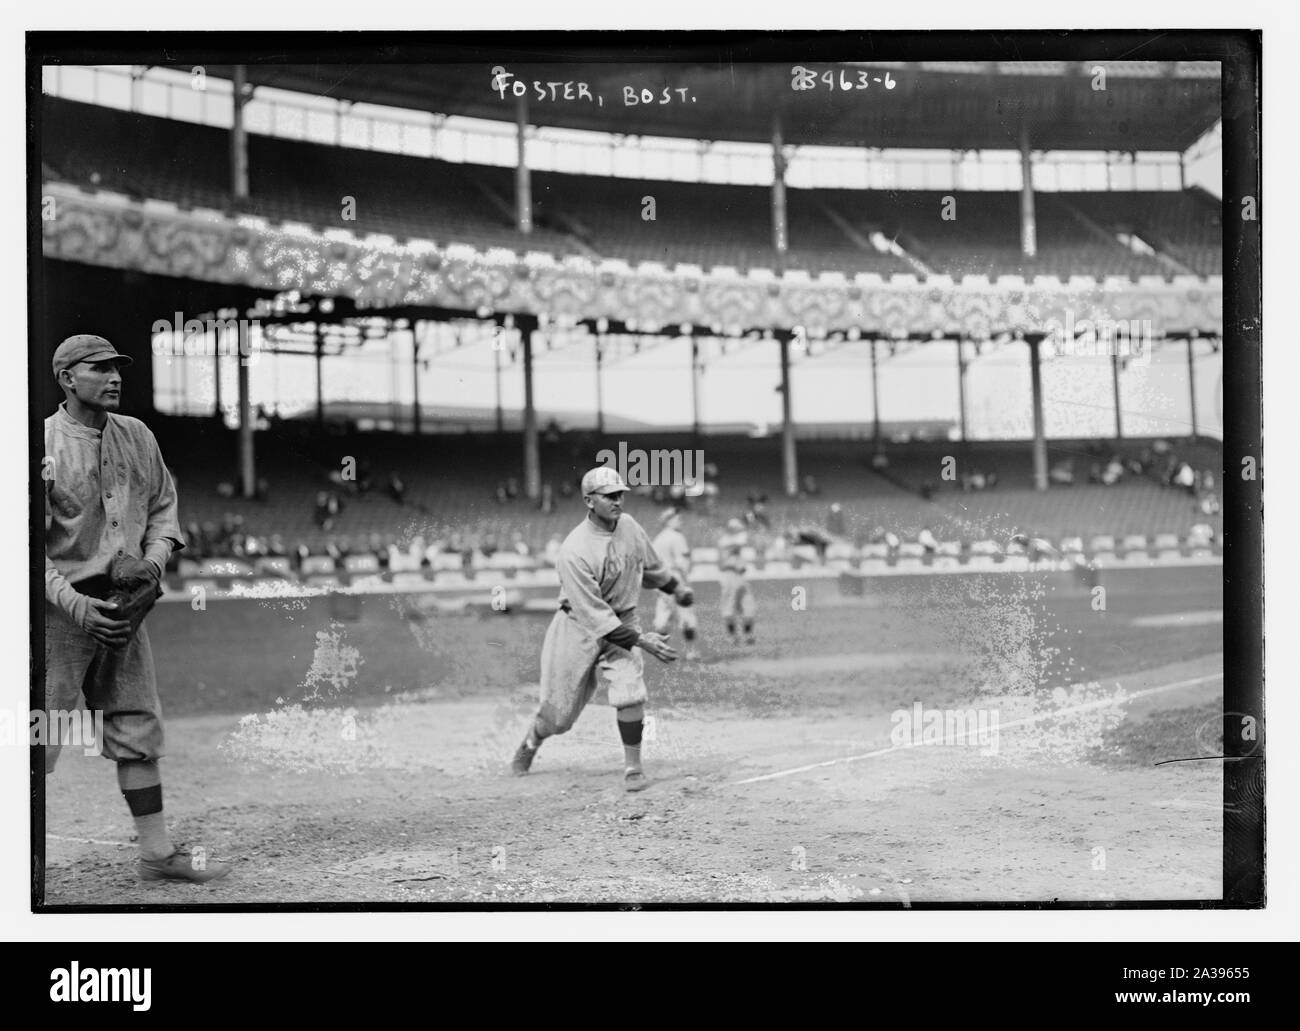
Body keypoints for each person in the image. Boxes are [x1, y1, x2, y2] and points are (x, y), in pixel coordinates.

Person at [43, 334, 230, 884]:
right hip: (59, 613)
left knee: (136, 726)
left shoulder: (138, 436)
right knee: (40, 735)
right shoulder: (42, 444)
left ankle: (156, 854)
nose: (115, 376)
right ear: (67, 379)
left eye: (119, 367)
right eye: (99, 368)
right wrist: (76, 606)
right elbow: (23, 548)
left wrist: (153, 563)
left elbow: (163, 507)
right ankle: (17, 861)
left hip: (125, 610)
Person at [510, 467, 692, 792]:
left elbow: (649, 568)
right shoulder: (574, 551)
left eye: (620, 494)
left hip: (623, 620)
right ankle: (533, 740)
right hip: (576, 626)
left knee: (630, 690)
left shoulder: (631, 527)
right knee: (559, 718)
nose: (617, 501)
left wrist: (675, 588)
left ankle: (633, 768)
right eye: (609, 495)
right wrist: (644, 641)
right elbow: (595, 617)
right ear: (588, 501)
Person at [651, 508, 700, 660]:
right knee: (686, 615)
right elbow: (682, 563)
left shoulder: (657, 539)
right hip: (675, 578)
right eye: (678, 519)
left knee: (662, 618)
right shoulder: (677, 537)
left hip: (661, 579)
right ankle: (691, 651)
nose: (681, 522)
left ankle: (661, 650)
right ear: (668, 520)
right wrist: (686, 582)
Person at [718, 517, 757, 645]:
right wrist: (749, 524)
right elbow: (740, 541)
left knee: (749, 608)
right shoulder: (725, 540)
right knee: (729, 609)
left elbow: (744, 540)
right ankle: (732, 636)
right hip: (729, 576)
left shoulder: (734, 539)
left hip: (741, 576)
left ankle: (748, 635)